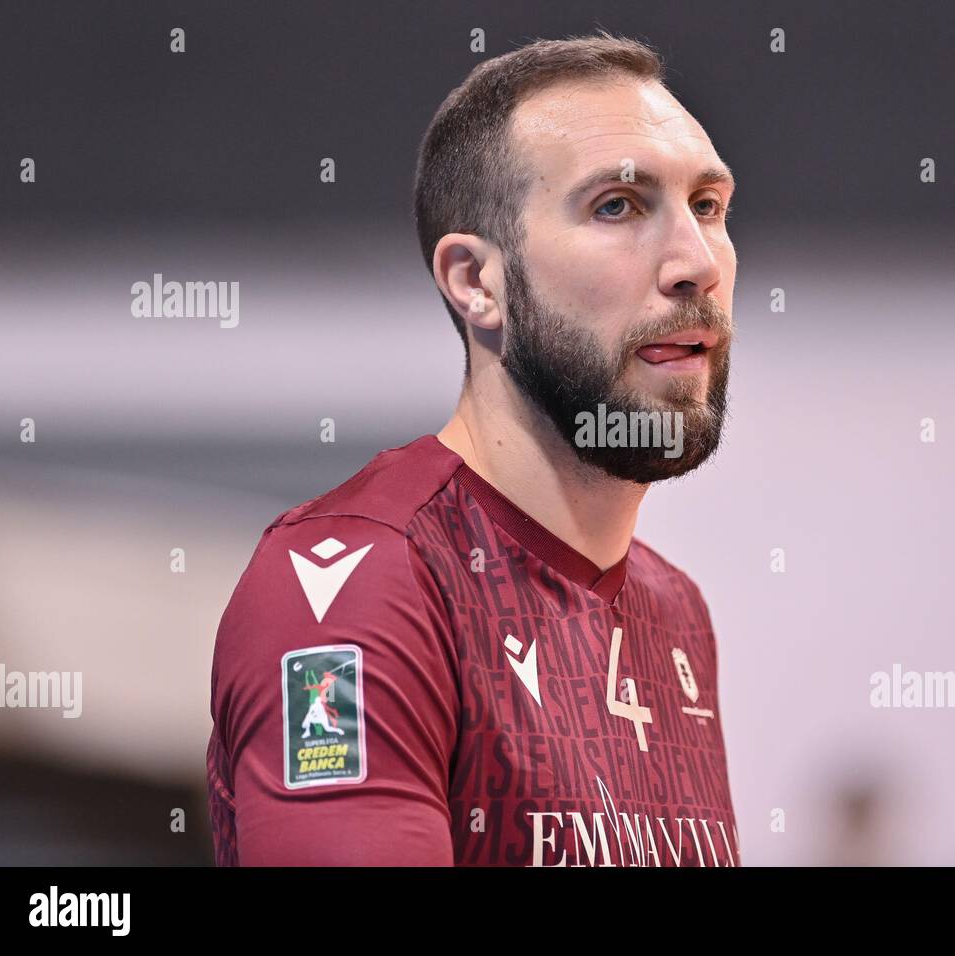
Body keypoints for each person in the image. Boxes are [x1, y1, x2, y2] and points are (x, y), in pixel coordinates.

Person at [206, 31, 741, 867]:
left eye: (708, 207)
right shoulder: (352, 587)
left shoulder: (675, 614)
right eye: (618, 207)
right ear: (475, 282)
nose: (697, 263)